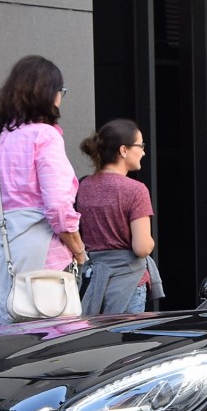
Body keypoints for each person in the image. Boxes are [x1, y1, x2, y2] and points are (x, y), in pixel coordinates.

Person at [0, 55, 86, 327]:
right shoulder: (45, 136)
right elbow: (57, 205)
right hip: (42, 252)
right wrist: (79, 252)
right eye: (60, 92)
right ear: (48, 94)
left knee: (1, 333)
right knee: (50, 334)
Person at [75, 119, 159, 314]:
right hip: (128, 282)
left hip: (93, 280)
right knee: (127, 342)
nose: (144, 152)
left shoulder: (83, 186)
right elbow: (142, 247)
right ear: (123, 150)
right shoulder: (136, 190)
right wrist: (150, 243)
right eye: (140, 146)